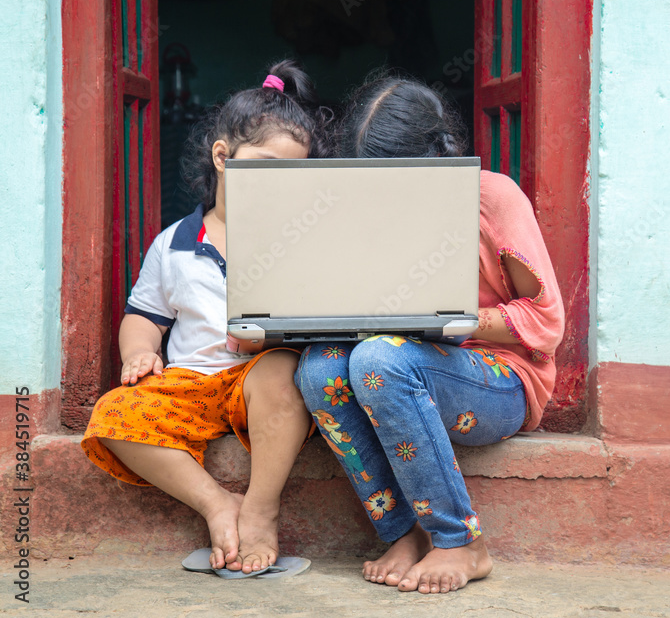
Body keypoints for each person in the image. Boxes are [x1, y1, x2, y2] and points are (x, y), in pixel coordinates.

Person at [294, 72, 565, 594]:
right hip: (401, 360)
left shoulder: (492, 199)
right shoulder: (365, 206)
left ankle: (460, 540)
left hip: (502, 378)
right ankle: (405, 531)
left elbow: (545, 324)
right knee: (321, 367)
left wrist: (452, 321)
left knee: (381, 361)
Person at [81, 61, 329, 575]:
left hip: (256, 384)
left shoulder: (300, 241)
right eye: (264, 166)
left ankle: (261, 508)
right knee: (113, 415)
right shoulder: (172, 244)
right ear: (223, 156)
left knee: (285, 372)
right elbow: (143, 316)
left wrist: (271, 339)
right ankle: (218, 503)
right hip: (190, 382)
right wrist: (140, 351)